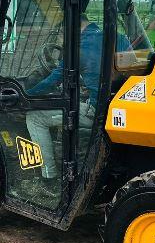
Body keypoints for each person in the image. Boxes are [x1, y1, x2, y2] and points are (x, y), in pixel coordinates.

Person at [26, 12, 131, 180]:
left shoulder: (78, 50)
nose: (63, 38)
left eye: (63, 33)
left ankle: (48, 177)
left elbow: (51, 82)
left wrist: (25, 96)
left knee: (34, 117)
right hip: (117, 107)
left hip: (97, 112)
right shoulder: (120, 38)